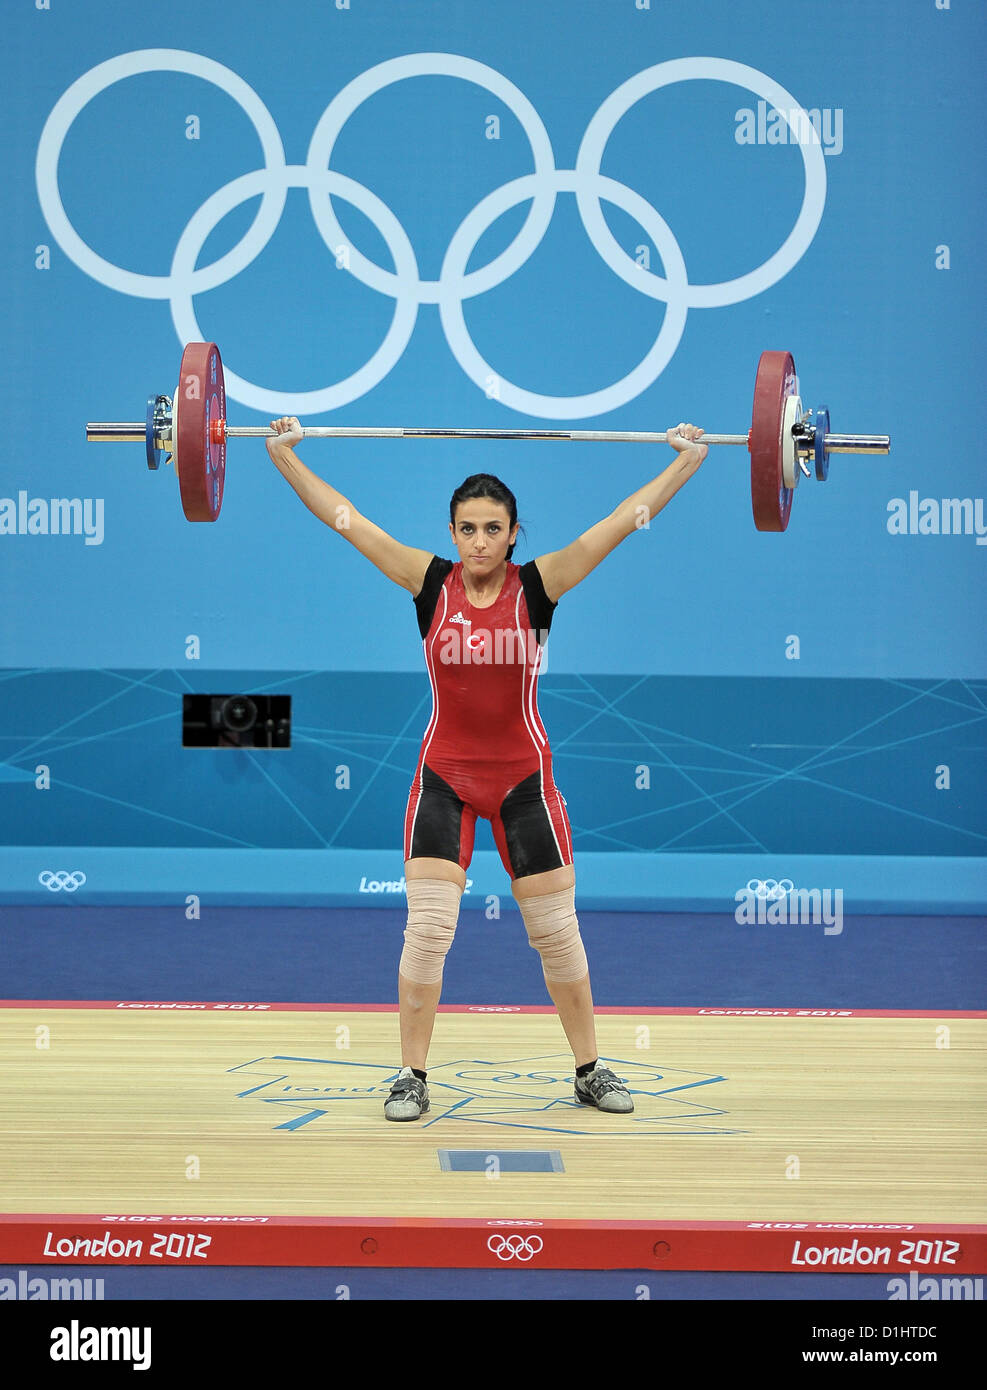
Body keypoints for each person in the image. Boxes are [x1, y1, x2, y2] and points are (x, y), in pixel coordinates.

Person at [266, 419, 708, 1121]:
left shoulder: (540, 587)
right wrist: (282, 454)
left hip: (523, 783)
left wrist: (687, 459)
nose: (478, 541)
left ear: (512, 534)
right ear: (451, 532)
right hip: (442, 776)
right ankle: (410, 1073)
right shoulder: (426, 582)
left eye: (492, 528)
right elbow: (345, 521)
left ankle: (589, 1071)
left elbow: (622, 522)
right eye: (466, 528)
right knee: (429, 929)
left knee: (556, 934)